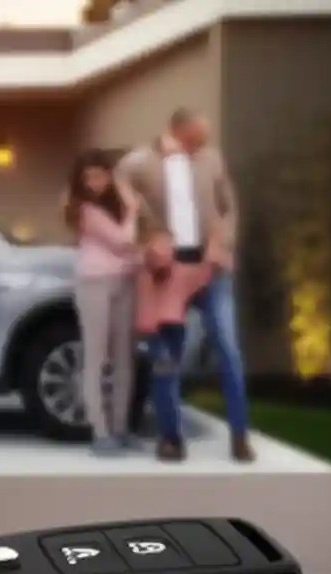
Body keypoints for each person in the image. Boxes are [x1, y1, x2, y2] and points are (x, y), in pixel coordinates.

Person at [117, 109, 254, 463]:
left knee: (228, 348)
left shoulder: (212, 159)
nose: (200, 147)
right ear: (176, 131)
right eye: (194, 140)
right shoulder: (141, 162)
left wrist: (221, 243)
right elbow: (119, 184)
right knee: (166, 357)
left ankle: (240, 435)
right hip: (168, 273)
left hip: (211, 270)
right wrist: (147, 234)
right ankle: (171, 437)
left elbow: (230, 207)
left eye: (203, 142)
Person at [63, 150, 140, 457]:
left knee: (124, 356)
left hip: (124, 281)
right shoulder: (84, 209)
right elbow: (123, 241)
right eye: (88, 177)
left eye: (100, 175)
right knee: (97, 356)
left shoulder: (115, 203)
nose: (95, 182)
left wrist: (126, 195)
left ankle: (121, 427)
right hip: (94, 281)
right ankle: (101, 431)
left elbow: (132, 242)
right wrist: (132, 211)